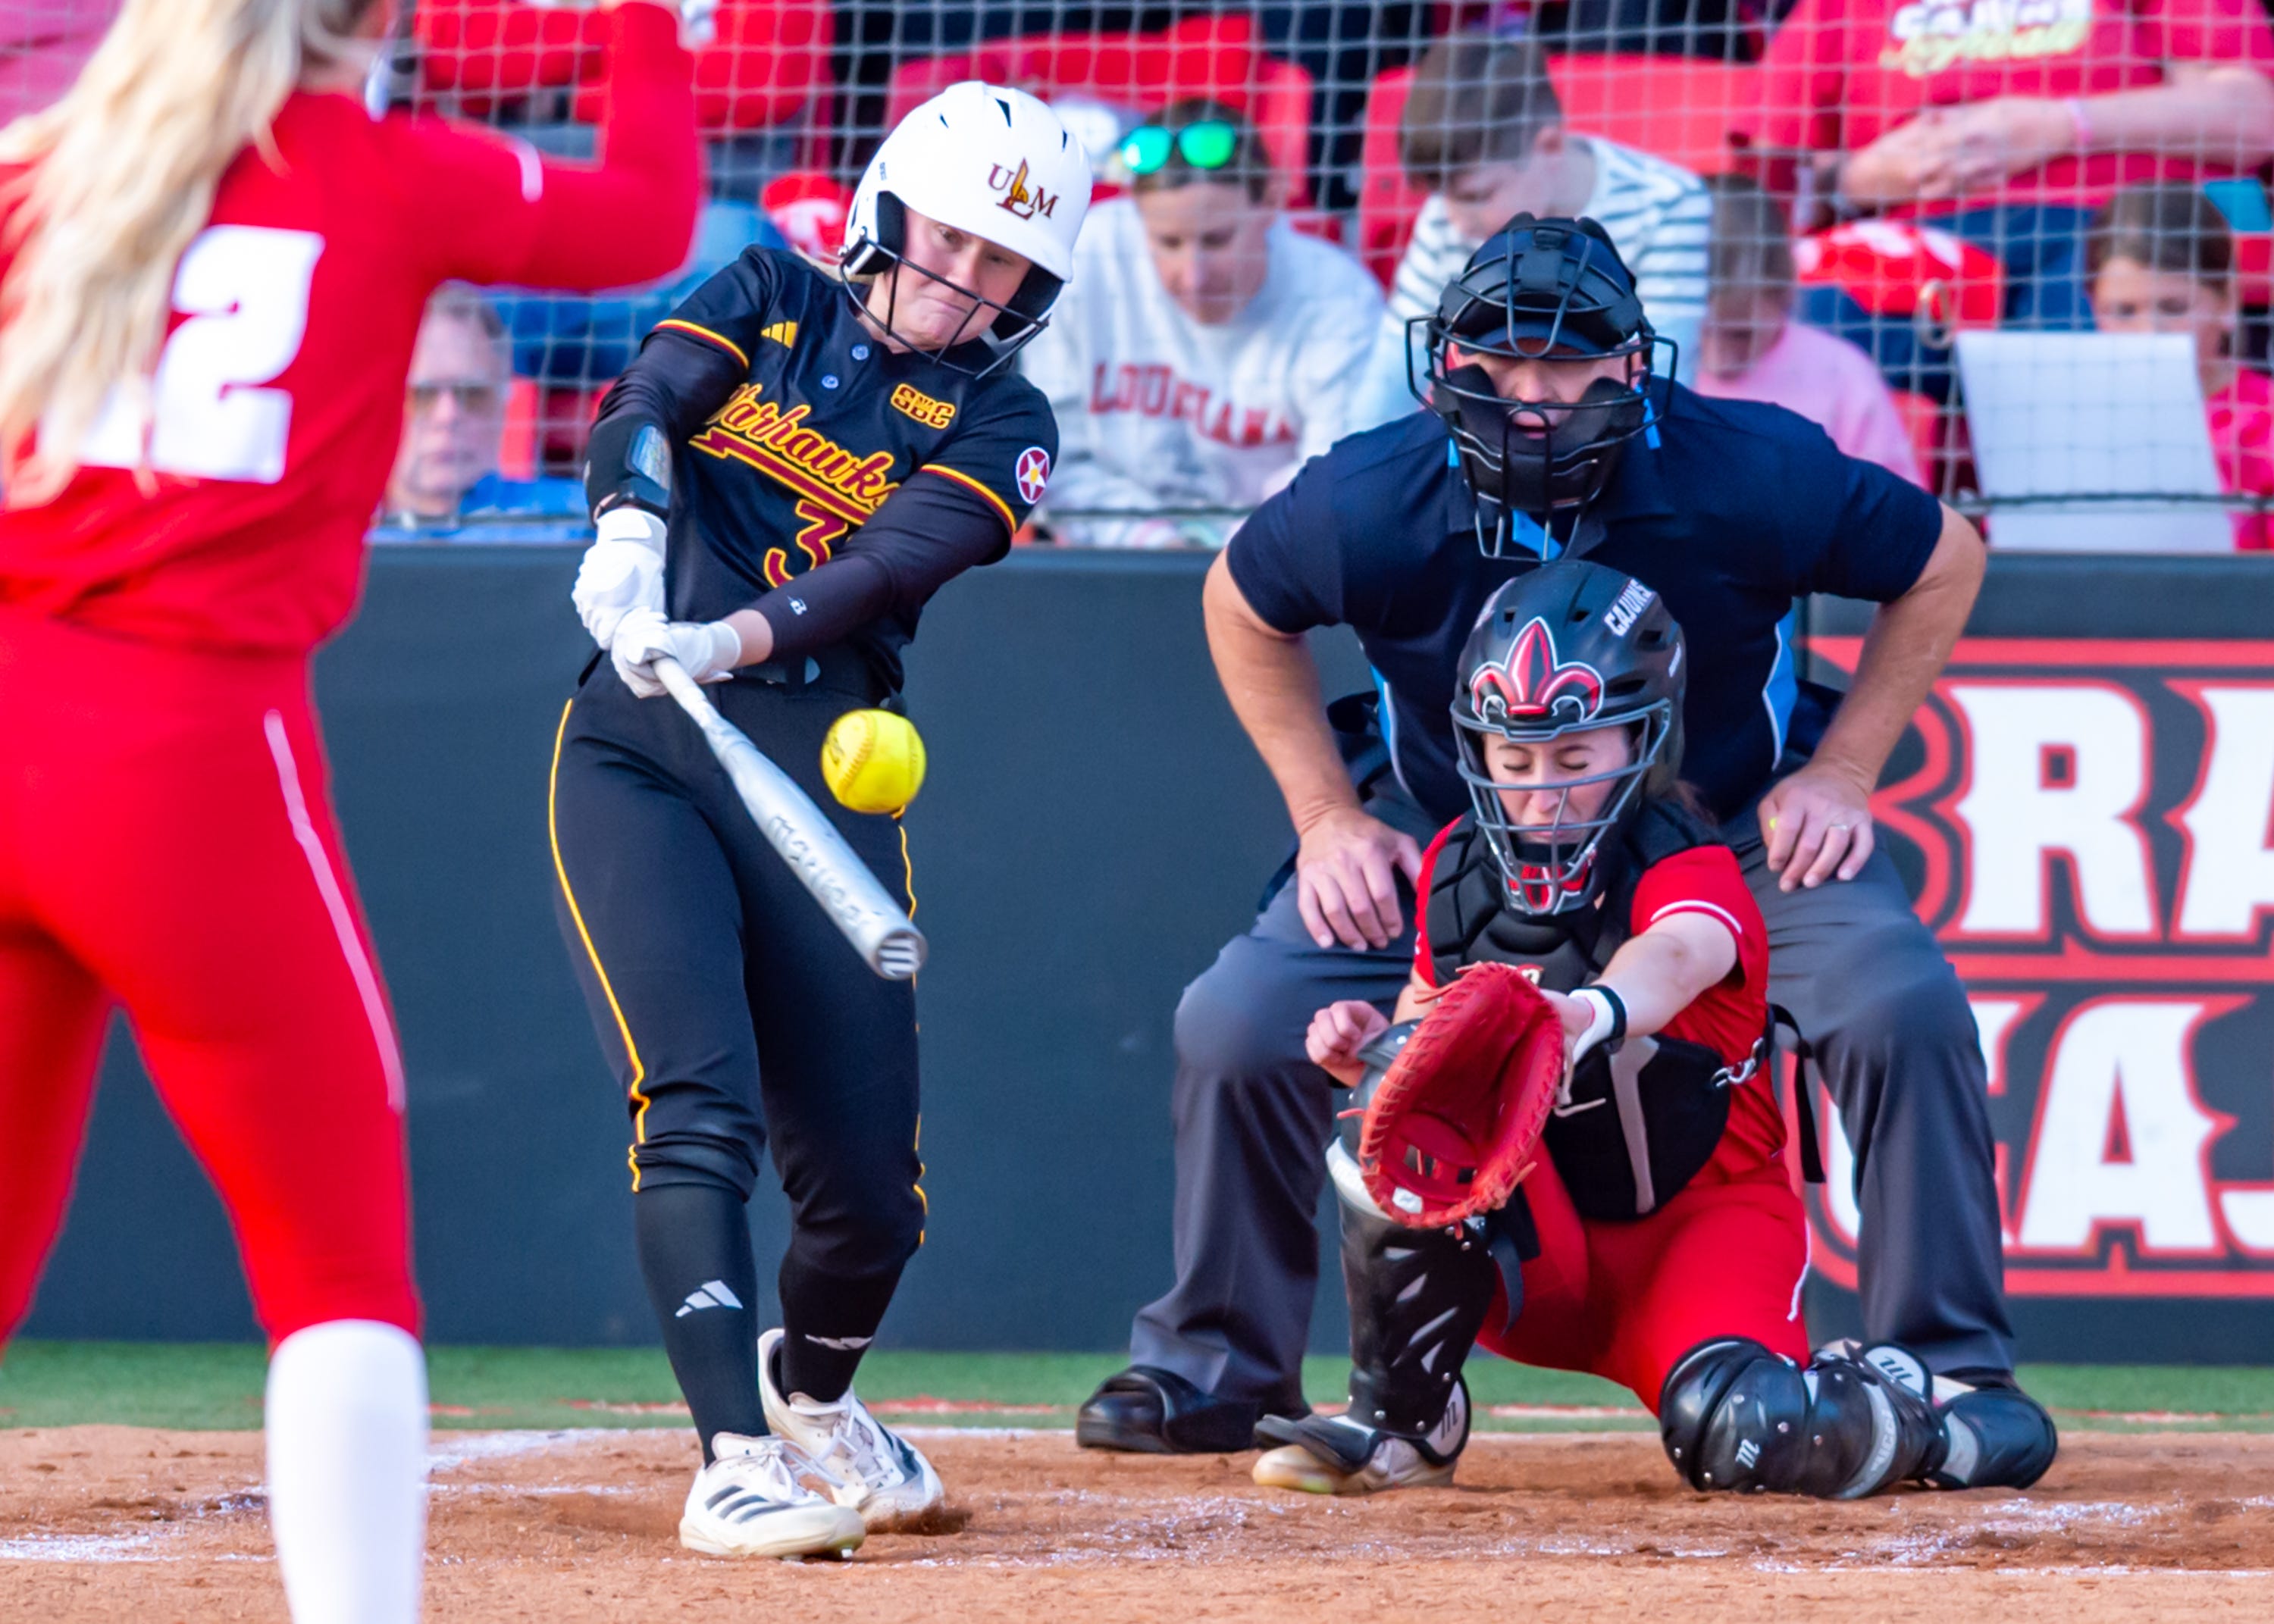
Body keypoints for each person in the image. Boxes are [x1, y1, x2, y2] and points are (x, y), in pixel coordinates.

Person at [1075, 215, 2055, 1487]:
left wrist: (1845, 769)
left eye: (1566, 360)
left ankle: (1949, 1364)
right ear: (1447, 363)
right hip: (1460, 848)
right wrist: (1326, 815)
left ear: (1633, 366)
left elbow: (1943, 557)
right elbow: (1239, 598)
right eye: (1496, 359)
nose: (1529, 393)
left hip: (1725, 830)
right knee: (1238, 1020)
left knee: (1901, 1005)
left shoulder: (1745, 467)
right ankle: (1223, 1368)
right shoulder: (1375, 495)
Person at [0, 2, 698, 1620]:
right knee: (337, 1272)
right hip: (179, 753)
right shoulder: (388, 171)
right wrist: (640, 25)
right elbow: (654, 213)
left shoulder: (44, 168)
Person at [550, 81, 1088, 1561]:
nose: (967, 285)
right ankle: (730, 1457)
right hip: (639, 751)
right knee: (697, 1103)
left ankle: (814, 1396)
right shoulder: (771, 289)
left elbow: (884, 570)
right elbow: (648, 399)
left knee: (869, 1200)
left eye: (1006, 272)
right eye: (950, 243)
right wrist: (631, 527)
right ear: (885, 211)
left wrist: (729, 640)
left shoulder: (1005, 421)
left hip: (811, 763)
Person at [1255, 559, 2009, 1498]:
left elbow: (1679, 953)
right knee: (1393, 1105)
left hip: (1700, 1232)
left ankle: (1920, 1414)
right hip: (1547, 1248)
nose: (1543, 792)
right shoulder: (1456, 865)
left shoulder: (1688, 858)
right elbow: (1426, 1038)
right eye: (1515, 758)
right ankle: (1406, 1418)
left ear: (1645, 741)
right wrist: (1369, 1049)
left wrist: (1592, 1010)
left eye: (1576, 759)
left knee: (1752, 1437)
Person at [1746, 0, 2274, 397]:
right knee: (1804, 324)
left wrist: (2064, 123)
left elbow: (2253, 117)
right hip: (1914, 246)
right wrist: (1861, 177)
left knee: (2100, 336)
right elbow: (1761, 184)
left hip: (2108, 227)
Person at [1020, 99, 1383, 549]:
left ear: (1271, 202)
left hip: (1278, 565)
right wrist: (1150, 543)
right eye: (1167, 242)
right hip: (1116, 560)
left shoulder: (1338, 300)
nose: (1193, 276)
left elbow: (1337, 478)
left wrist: (1238, 556)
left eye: (1216, 240)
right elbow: (1052, 455)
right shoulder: (1087, 262)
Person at [1348, 27, 1712, 431]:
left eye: (1477, 196)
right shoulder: (1448, 214)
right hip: (1492, 444)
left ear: (1550, 146)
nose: (1452, 218)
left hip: (1611, 443)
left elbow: (1661, 386)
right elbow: (1393, 379)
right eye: (1443, 196)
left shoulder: (1666, 205)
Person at [1691, 175, 1925, 485]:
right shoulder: (1641, 369)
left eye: (1741, 335)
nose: (1720, 358)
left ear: (1783, 290)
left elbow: (1899, 510)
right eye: (1696, 336)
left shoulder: (1840, 373)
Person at [2086, 181, 2270, 551]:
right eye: (2123, 311)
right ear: (2094, 308)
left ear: (2229, 301)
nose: (2149, 333)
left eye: (2174, 308)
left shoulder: (2264, 423)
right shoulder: (2071, 415)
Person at [378, 284, 581, 530]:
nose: (447, 416)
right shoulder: (331, 532)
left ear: (503, 399)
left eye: (473, 394)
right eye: (421, 396)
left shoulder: (582, 523)